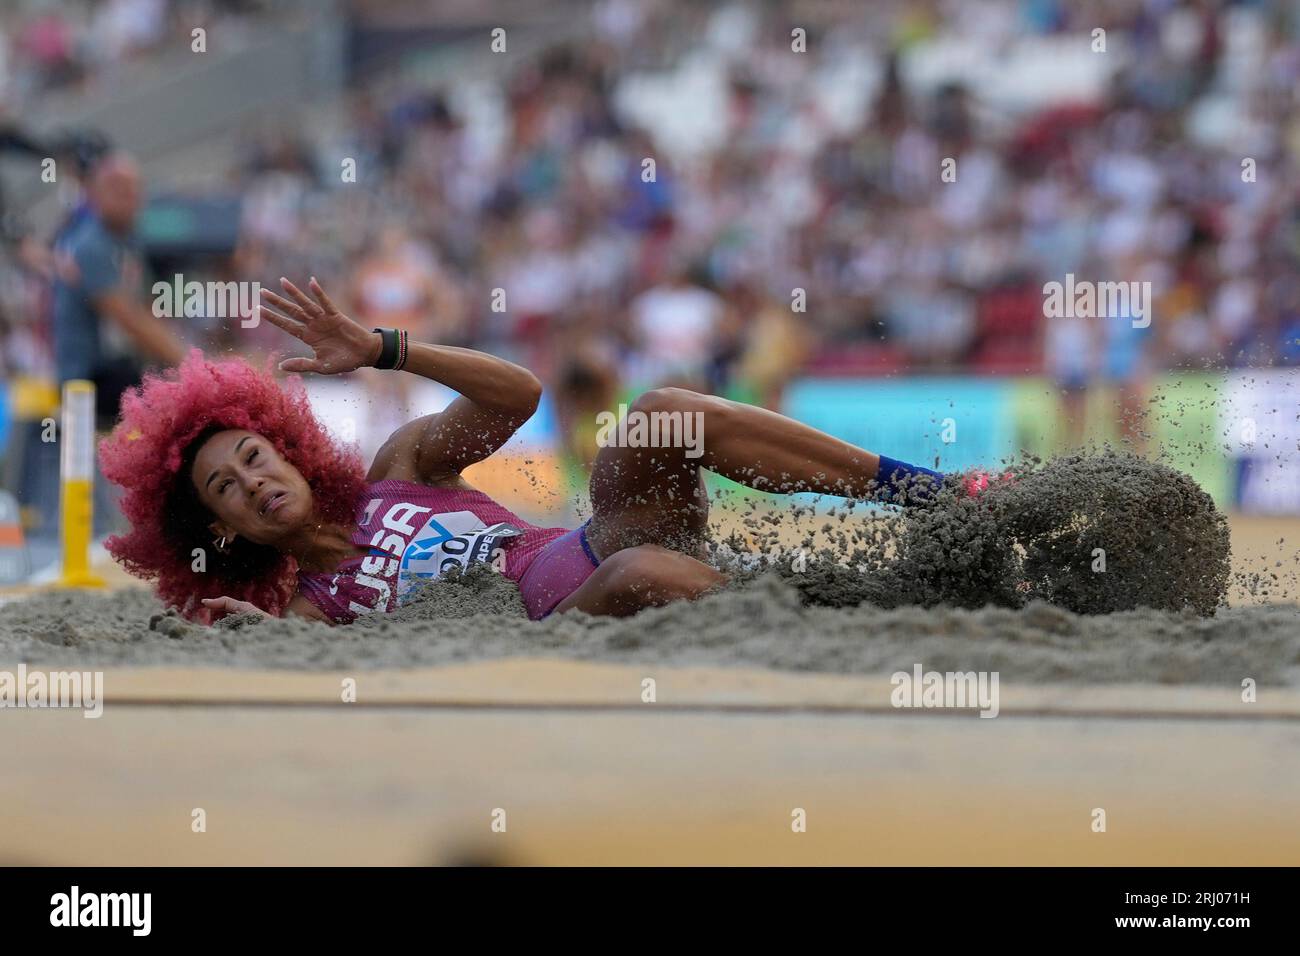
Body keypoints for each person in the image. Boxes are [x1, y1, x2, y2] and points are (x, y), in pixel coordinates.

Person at [101, 277, 965, 625]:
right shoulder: (305, 606)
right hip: (572, 613)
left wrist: (386, 349)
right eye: (224, 489)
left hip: (589, 542)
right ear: (221, 530)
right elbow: (263, 648)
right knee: (635, 580)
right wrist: (242, 625)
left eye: (252, 457)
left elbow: (515, 395)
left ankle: (942, 501)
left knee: (661, 412)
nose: (250, 484)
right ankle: (860, 619)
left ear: (286, 447)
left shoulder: (396, 468)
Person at [51, 152, 186, 425]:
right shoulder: (89, 245)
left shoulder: (128, 241)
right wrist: (193, 364)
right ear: (95, 194)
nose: (130, 198)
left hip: (119, 370)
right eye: (118, 189)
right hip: (88, 380)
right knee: (181, 403)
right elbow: (130, 320)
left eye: (134, 189)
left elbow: (150, 310)